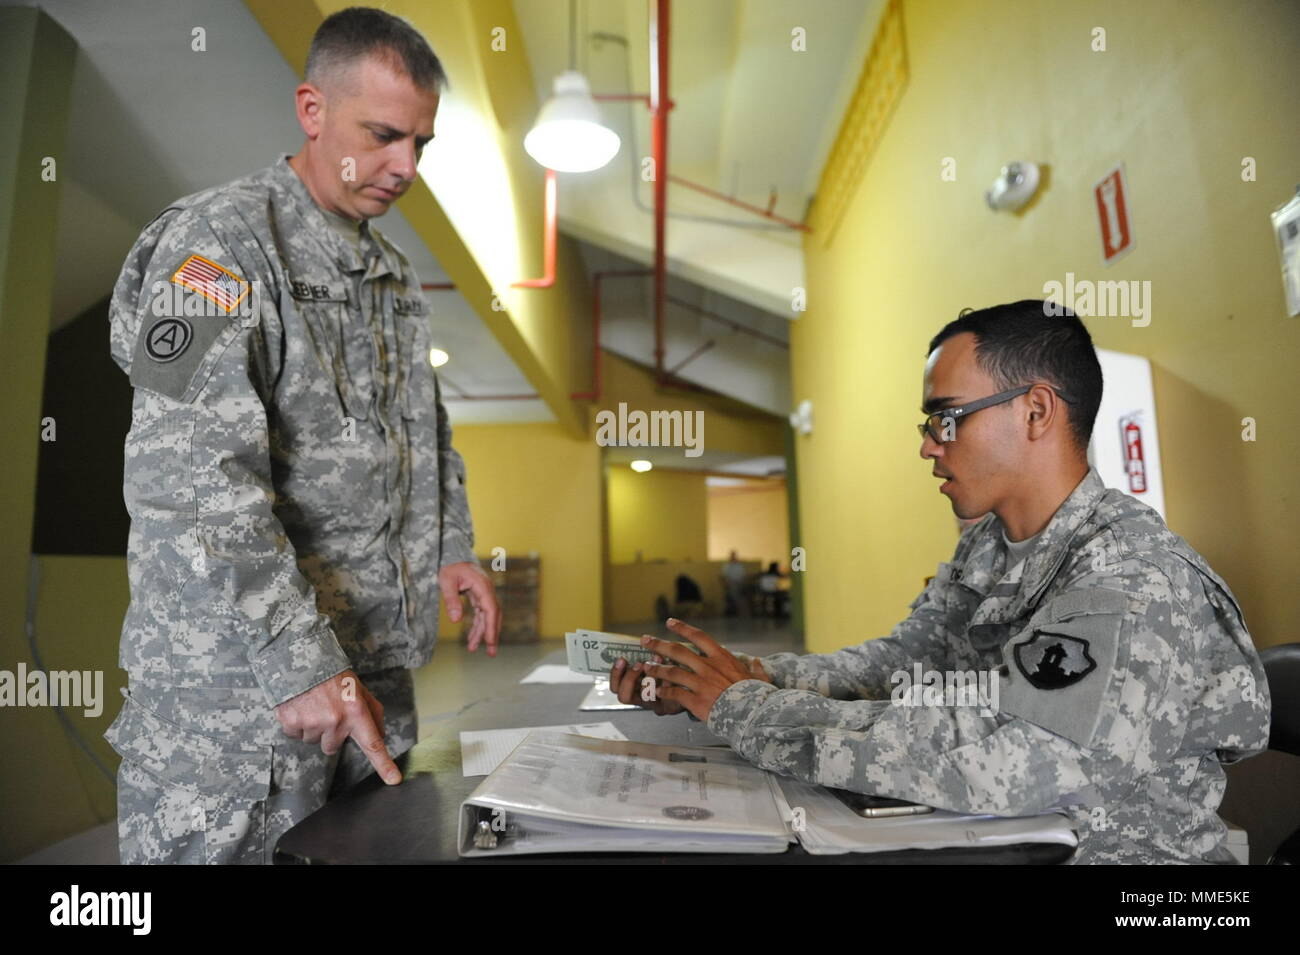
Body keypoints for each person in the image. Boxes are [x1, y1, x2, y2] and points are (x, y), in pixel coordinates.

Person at [610, 300, 1271, 864]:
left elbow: (1009, 760)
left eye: (946, 417)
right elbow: (903, 664)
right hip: (1013, 842)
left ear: (1036, 411)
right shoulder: (990, 544)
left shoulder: (1131, 574)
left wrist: (745, 707)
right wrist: (743, 673)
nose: (929, 444)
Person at [103, 7, 501, 864]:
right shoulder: (210, 248)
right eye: (385, 135)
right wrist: (295, 657)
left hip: (370, 694)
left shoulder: (392, 275)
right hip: (239, 706)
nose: (406, 167)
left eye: (422, 144)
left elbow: (420, 437)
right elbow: (186, 472)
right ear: (312, 110)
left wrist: (452, 547)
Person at [721, 550, 746, 617]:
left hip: (739, 584)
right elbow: (724, 576)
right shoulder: (727, 566)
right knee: (732, 593)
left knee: (736, 594)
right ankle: (732, 612)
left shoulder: (739, 566)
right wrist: (727, 583)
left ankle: (737, 611)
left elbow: (742, 576)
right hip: (730, 584)